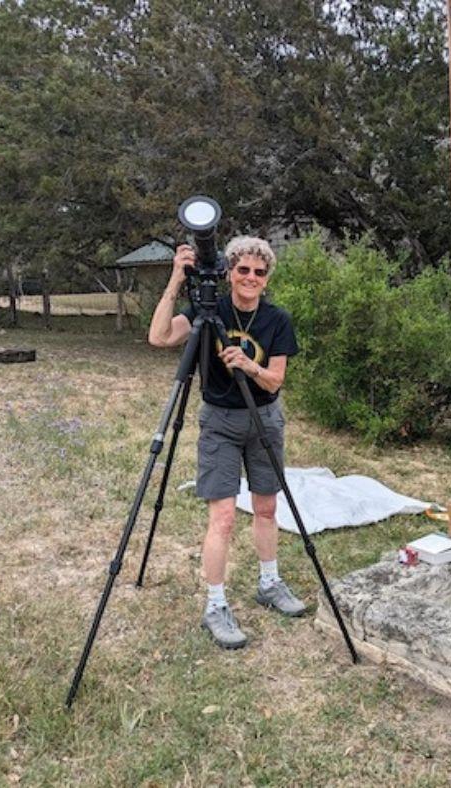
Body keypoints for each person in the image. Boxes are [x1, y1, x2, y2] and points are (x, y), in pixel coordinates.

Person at [148, 236, 305, 649]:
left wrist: (248, 364)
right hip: (220, 421)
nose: (251, 277)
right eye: (243, 270)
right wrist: (174, 282)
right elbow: (160, 337)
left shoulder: (277, 320)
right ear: (229, 273)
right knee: (222, 517)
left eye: (259, 272)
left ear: (266, 279)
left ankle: (269, 583)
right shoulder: (209, 311)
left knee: (267, 507)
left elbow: (275, 379)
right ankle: (215, 605)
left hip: (264, 418)